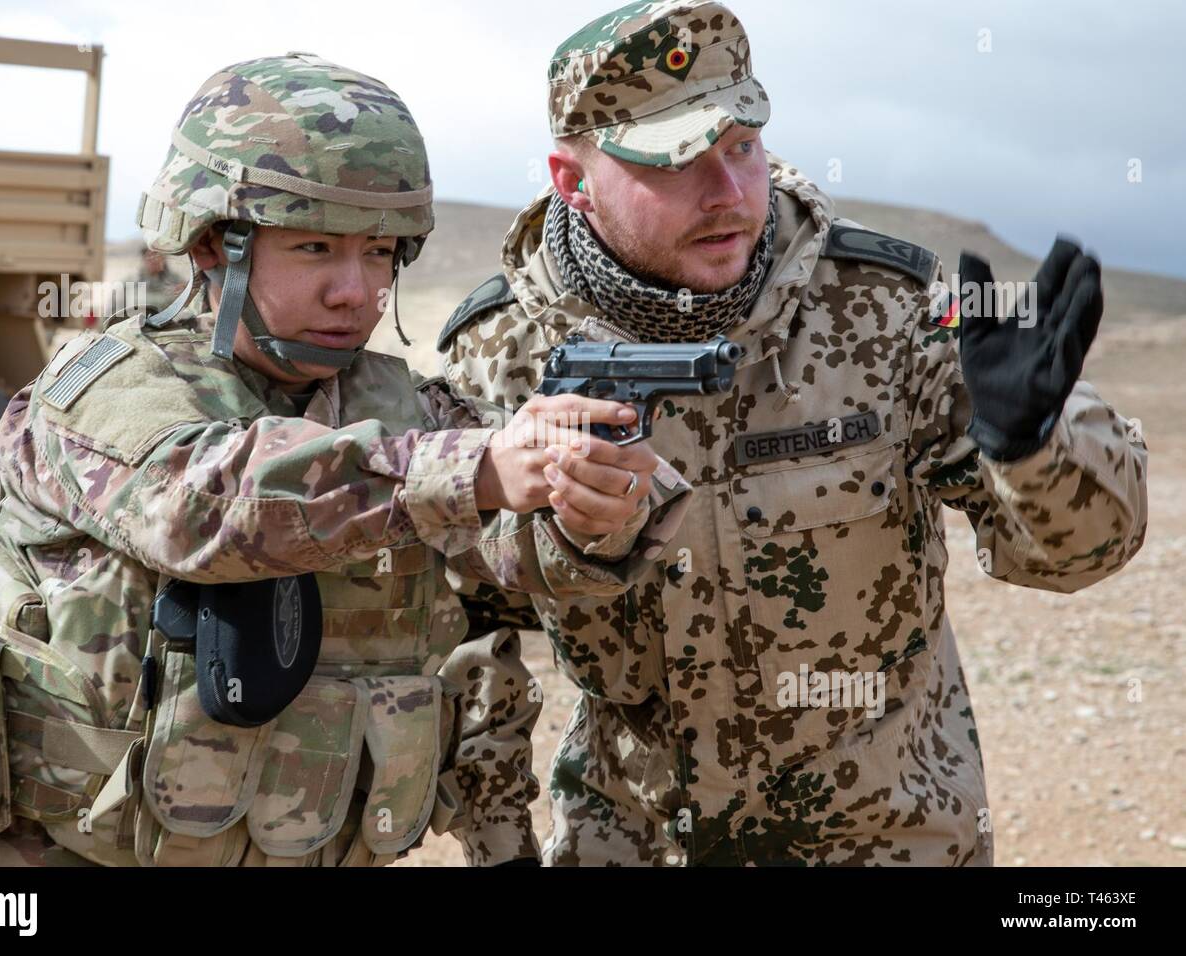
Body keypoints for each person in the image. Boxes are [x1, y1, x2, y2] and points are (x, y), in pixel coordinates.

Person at [0, 53, 689, 867]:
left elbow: (515, 545)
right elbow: (202, 502)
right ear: (211, 246)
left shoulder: (403, 409)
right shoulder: (102, 390)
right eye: (315, 248)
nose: (357, 290)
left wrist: (592, 513)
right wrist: (475, 470)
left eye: (380, 253)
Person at [438, 0, 1148, 866]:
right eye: (678, 165)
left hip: (892, 845)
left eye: (742, 147)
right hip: (630, 845)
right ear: (572, 179)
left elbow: (1083, 556)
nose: (729, 194)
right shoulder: (499, 354)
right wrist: (499, 845)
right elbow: (470, 624)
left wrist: (1031, 445)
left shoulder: (886, 308)